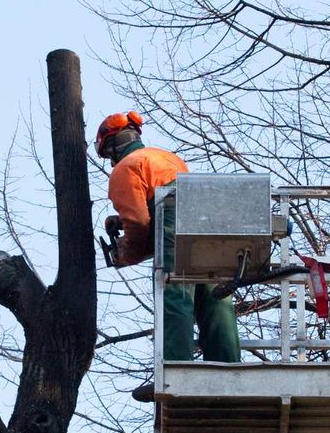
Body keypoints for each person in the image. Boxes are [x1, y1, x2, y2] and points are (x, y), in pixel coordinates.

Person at [95, 111, 241, 378]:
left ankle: (177, 370)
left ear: (112, 146)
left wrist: (125, 255)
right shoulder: (165, 157)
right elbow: (155, 216)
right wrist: (123, 224)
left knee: (176, 292)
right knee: (215, 294)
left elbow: (139, 223)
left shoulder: (125, 168)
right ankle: (228, 369)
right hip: (210, 214)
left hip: (177, 212)